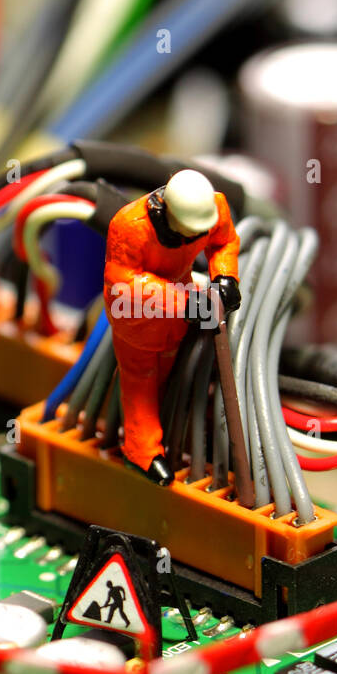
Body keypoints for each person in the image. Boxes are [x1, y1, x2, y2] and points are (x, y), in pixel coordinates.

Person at [103, 170, 240, 484]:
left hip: (179, 315)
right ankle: (142, 452)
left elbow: (225, 242)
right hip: (136, 320)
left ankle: (181, 433)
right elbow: (122, 284)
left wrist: (225, 277)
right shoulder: (129, 226)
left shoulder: (213, 209)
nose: (195, 238)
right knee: (141, 383)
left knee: (178, 374)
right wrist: (184, 302)